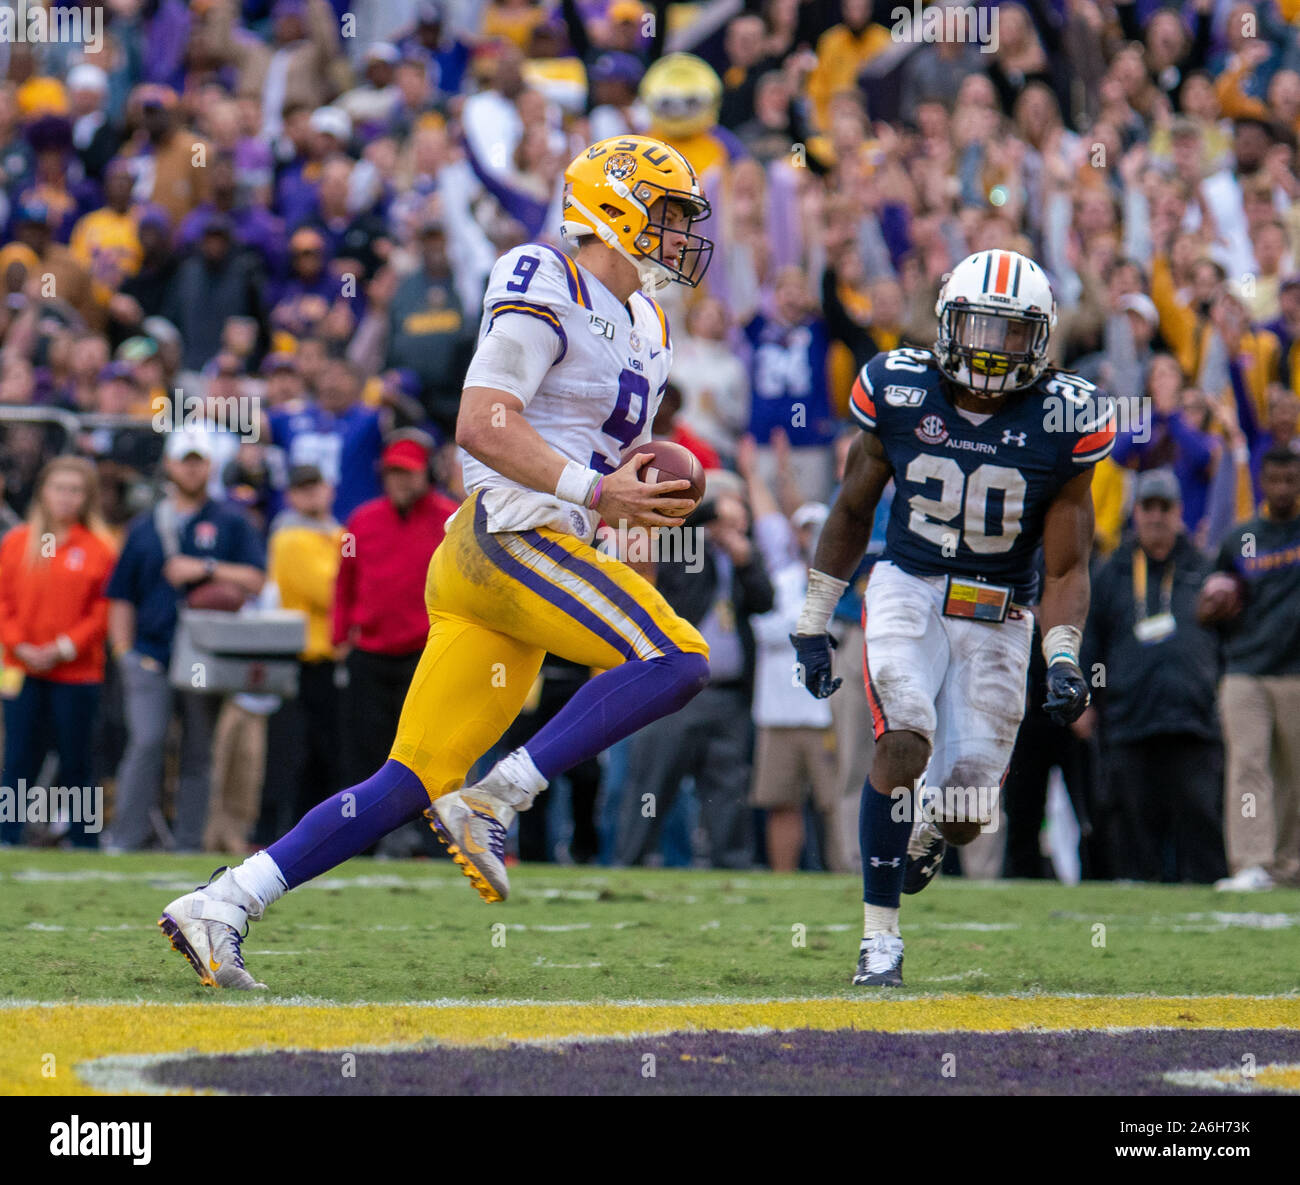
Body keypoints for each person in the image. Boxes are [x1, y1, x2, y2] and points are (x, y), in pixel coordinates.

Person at [158, 134, 714, 988]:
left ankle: (225, 901)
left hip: (519, 554)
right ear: (617, 208)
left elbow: (591, 454)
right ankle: (499, 796)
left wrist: (625, 494)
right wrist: (598, 495)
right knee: (678, 658)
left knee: (411, 777)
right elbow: (483, 424)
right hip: (510, 538)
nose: (682, 235)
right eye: (670, 214)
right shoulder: (544, 275)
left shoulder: (648, 322)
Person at [792, 249, 1115, 987]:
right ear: (945, 322)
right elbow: (850, 508)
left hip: (1000, 609)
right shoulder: (899, 388)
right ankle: (880, 941)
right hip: (908, 583)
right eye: (976, 327)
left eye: (1010, 334)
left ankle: (934, 827)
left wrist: (1062, 654)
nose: (990, 348)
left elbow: (1066, 564)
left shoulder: (1066, 415)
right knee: (903, 734)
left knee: (970, 807)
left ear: (1040, 340)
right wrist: (814, 619)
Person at [105, 430, 266, 852]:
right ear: (171, 465)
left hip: (204, 656)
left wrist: (206, 568)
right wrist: (123, 653)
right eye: (184, 460)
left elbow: (255, 579)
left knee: (198, 750)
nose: (192, 467)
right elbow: (121, 596)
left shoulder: (232, 520)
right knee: (147, 741)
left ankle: (189, 842)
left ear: (209, 466)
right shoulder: (143, 527)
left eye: (199, 461)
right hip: (151, 654)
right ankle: (126, 837)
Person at [1082, 469, 1225, 883]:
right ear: (1135, 513)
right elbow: (1091, 638)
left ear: (1179, 512)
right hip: (1129, 717)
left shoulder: (1203, 566)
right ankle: (1133, 892)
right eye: (1148, 506)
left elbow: (1224, 637)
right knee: (1129, 813)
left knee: (1199, 812)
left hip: (1191, 718)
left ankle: (1208, 891)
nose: (1156, 516)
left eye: (1165, 507)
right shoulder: (1111, 572)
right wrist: (1085, 699)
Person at [0, 458, 117, 847]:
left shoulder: (99, 548)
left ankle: (84, 840)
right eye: (59, 488)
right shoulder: (17, 542)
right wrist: (21, 645)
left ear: (87, 497)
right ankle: (8, 836)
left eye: (75, 489)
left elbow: (103, 610)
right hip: (21, 667)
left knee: (77, 760)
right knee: (18, 759)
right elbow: (4, 602)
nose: (66, 498)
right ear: (43, 492)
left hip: (78, 673)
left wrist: (63, 647)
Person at [1199, 447, 1300, 891]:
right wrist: (1212, 607)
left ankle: (1289, 866)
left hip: (1295, 671)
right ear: (1261, 481)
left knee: (1294, 775)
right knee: (1247, 767)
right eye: (1275, 480)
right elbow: (1208, 605)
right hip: (1244, 669)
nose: (1282, 489)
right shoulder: (1241, 537)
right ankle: (1251, 864)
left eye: (1291, 480)